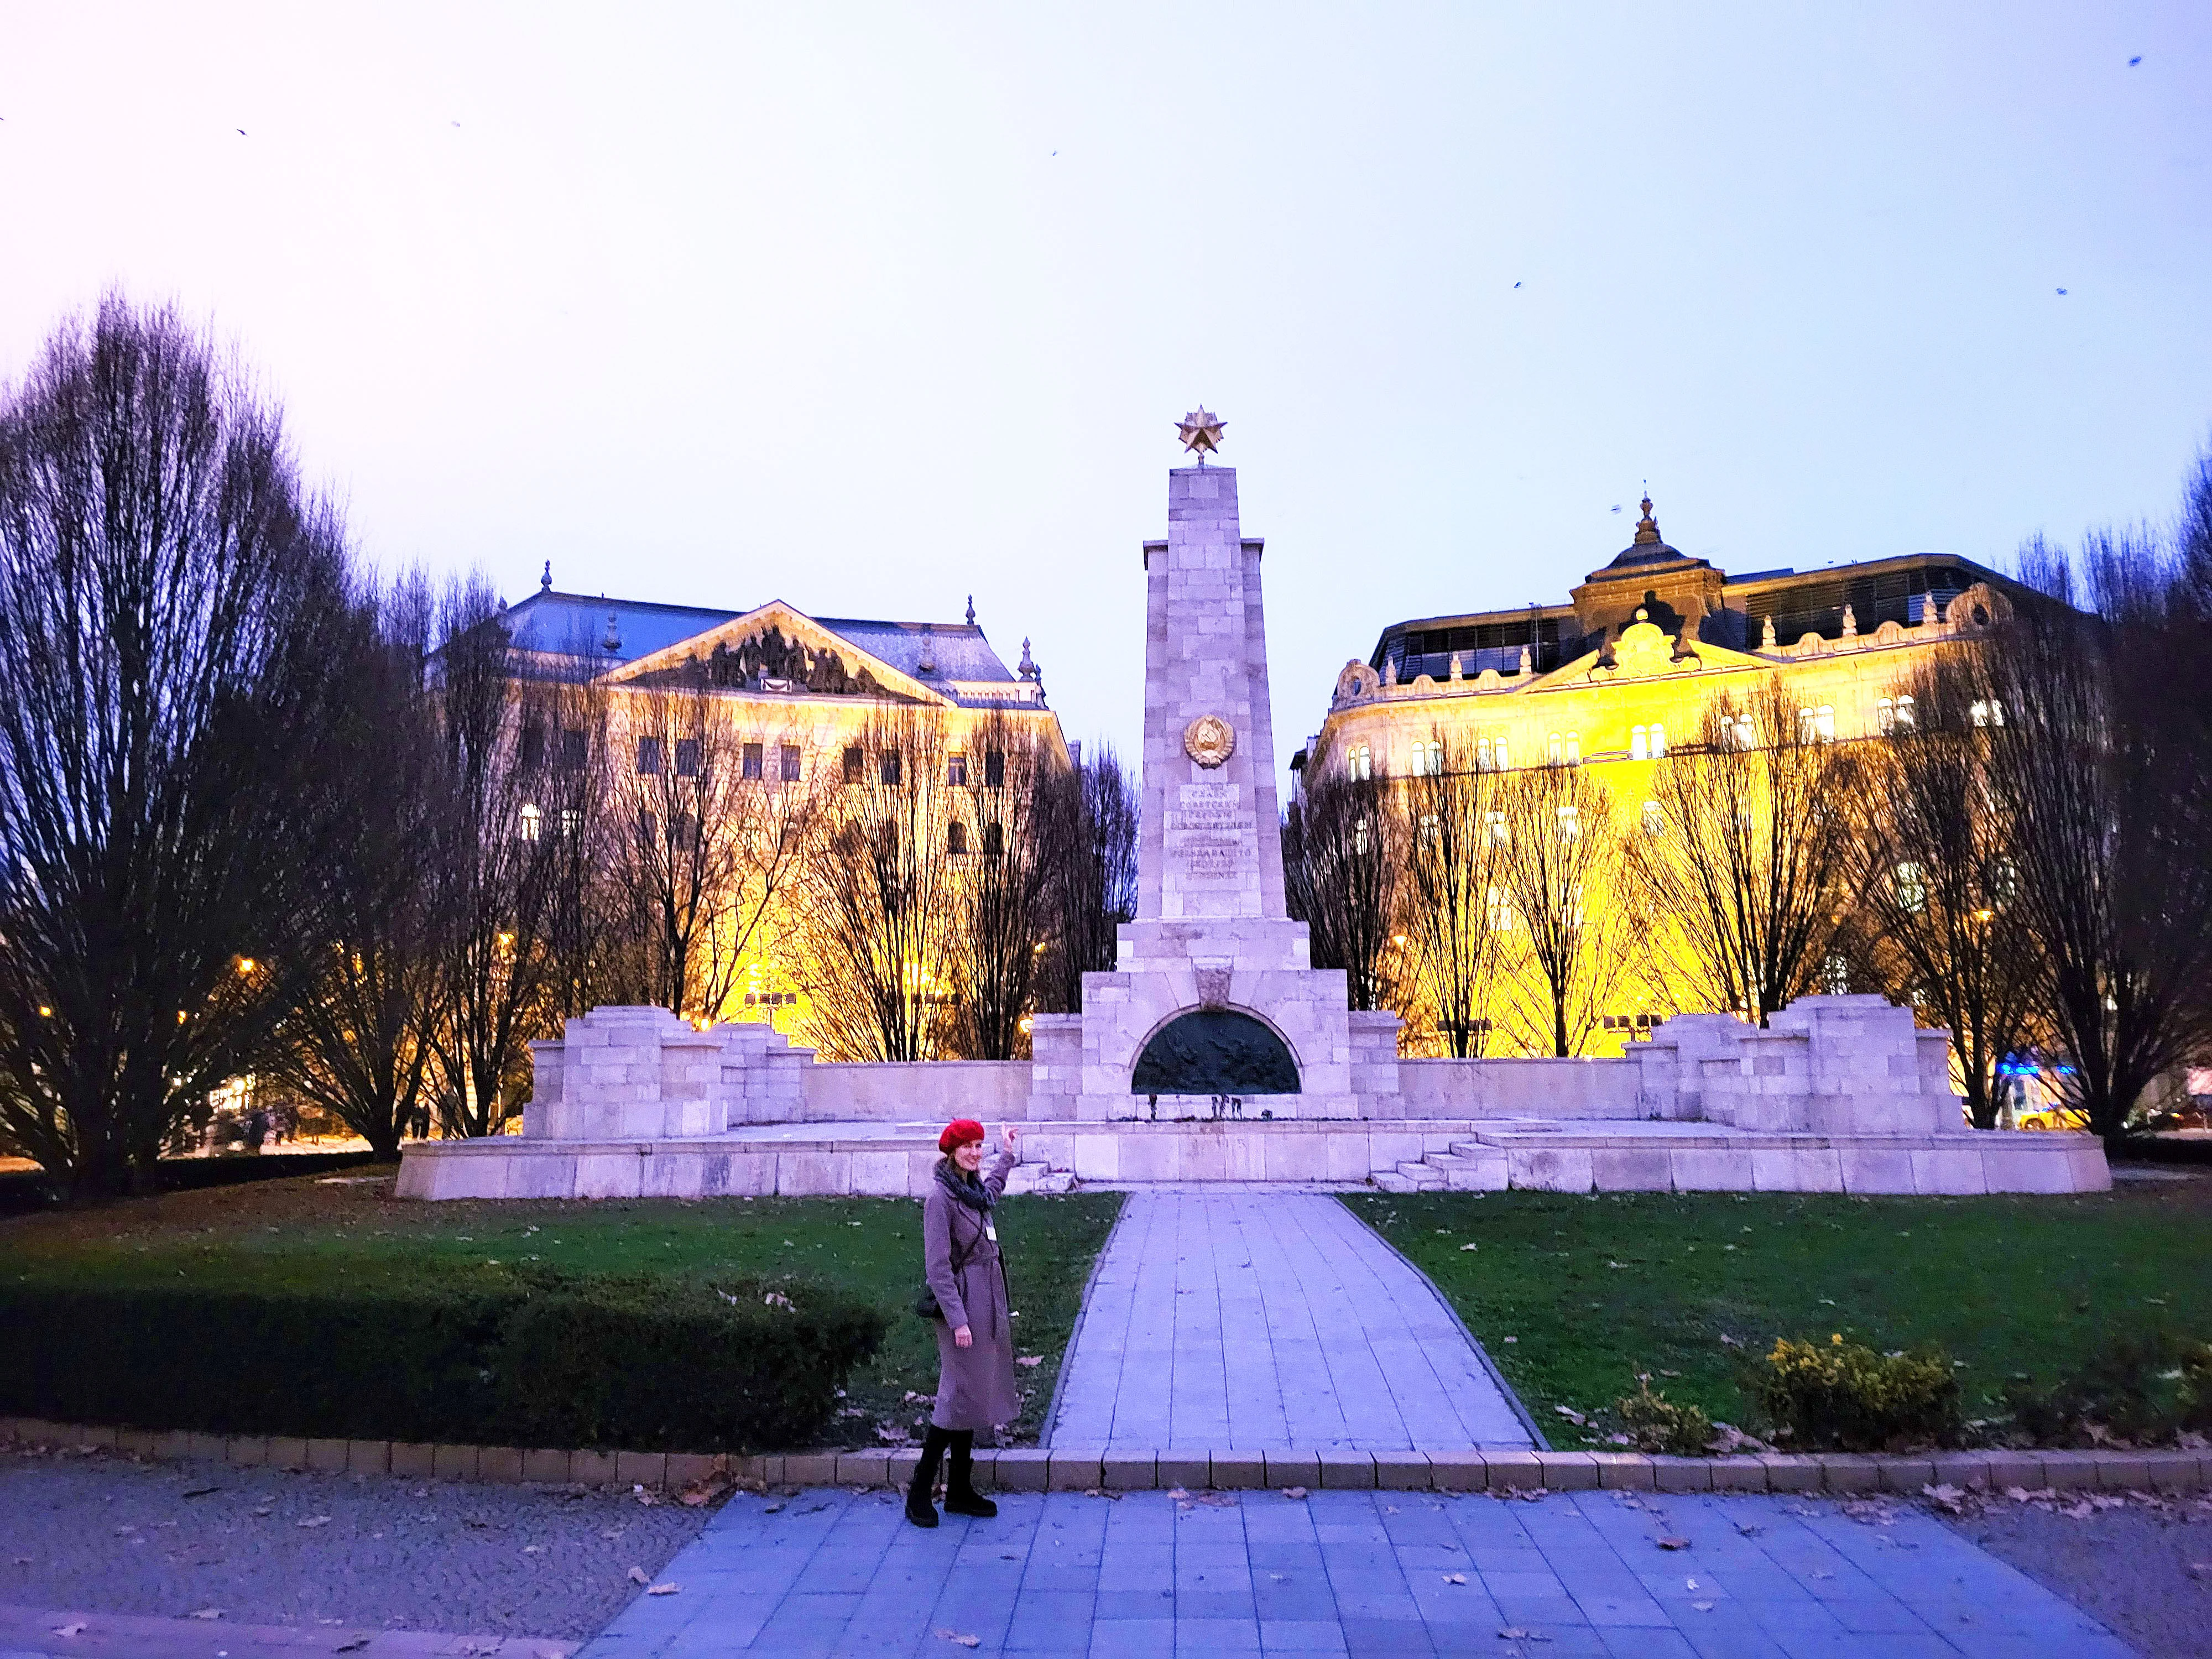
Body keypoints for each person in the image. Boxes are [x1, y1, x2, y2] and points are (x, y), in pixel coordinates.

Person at [907, 1117, 1020, 1527]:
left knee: (972, 1393)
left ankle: (959, 1490)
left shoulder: (972, 1191)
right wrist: (957, 1320)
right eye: (967, 1146)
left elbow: (993, 1190)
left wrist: (1007, 1155)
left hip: (987, 1297)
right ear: (951, 1151)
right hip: (962, 1303)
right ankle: (920, 1491)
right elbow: (937, 1269)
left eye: (979, 1145)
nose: (975, 1152)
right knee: (955, 1393)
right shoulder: (940, 1200)